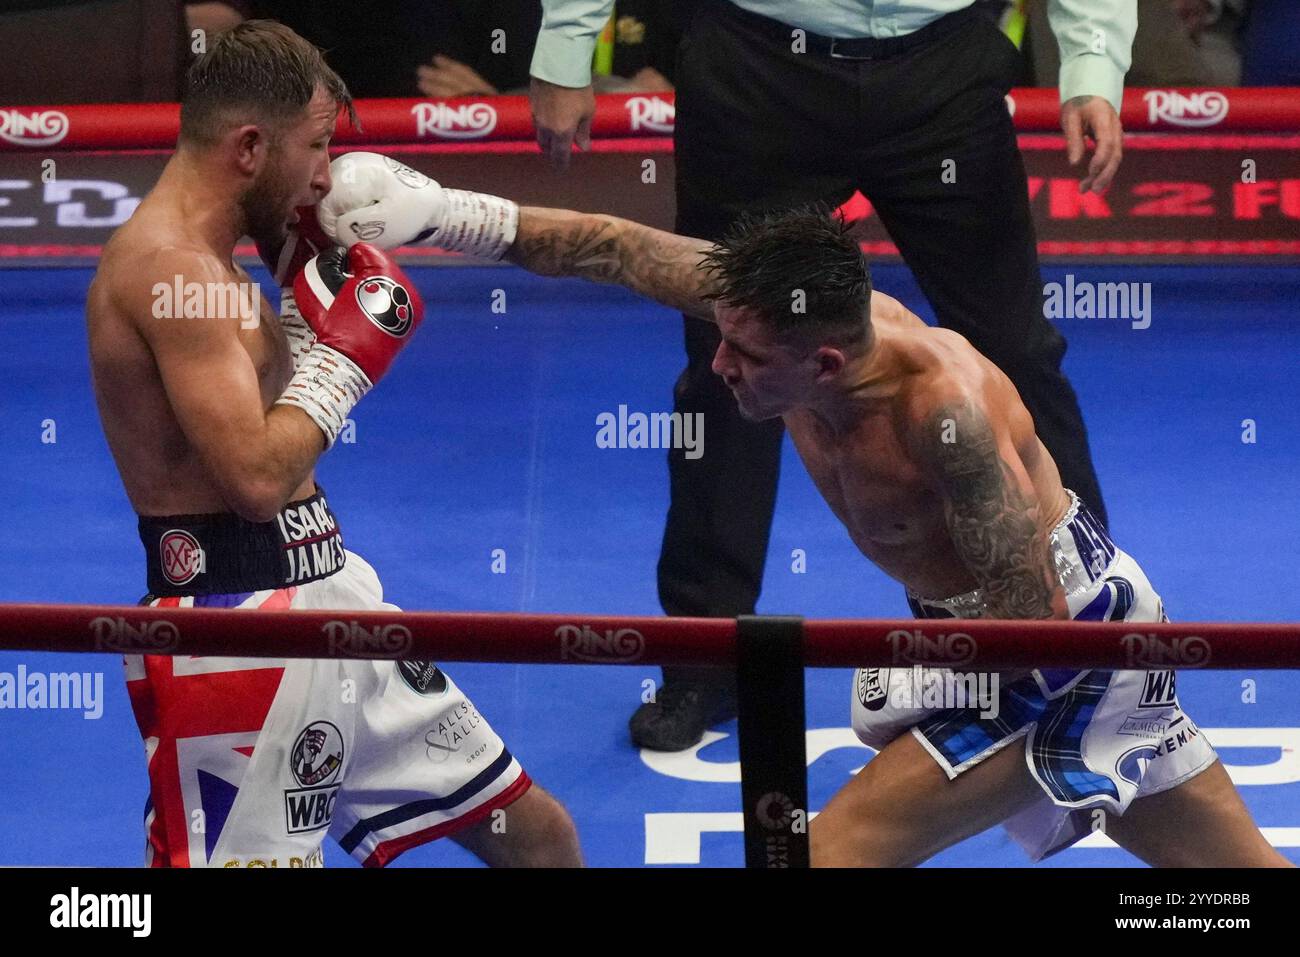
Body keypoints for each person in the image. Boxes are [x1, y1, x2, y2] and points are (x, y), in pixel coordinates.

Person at [311, 157, 1291, 866]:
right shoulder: (772, 310)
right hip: (1024, 632)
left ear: (823, 364)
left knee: (819, 862)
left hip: (1064, 656)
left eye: (741, 357)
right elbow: (608, 247)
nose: (718, 365)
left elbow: (1036, 636)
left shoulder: (941, 423)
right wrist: (440, 210)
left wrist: (927, 682)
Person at [528, 0, 1127, 751]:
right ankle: (707, 662)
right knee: (729, 367)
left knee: (1015, 354)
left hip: (942, 72)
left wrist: (1094, 58)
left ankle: (1101, 636)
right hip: (758, 71)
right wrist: (565, 44)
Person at [85, 21, 580, 868]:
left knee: (538, 838)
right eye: (316, 148)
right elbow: (253, 476)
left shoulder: (224, 263)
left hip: (333, 592)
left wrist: (299, 320)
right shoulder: (169, 271)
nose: (327, 175)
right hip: (235, 631)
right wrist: (352, 349)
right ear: (249, 146)